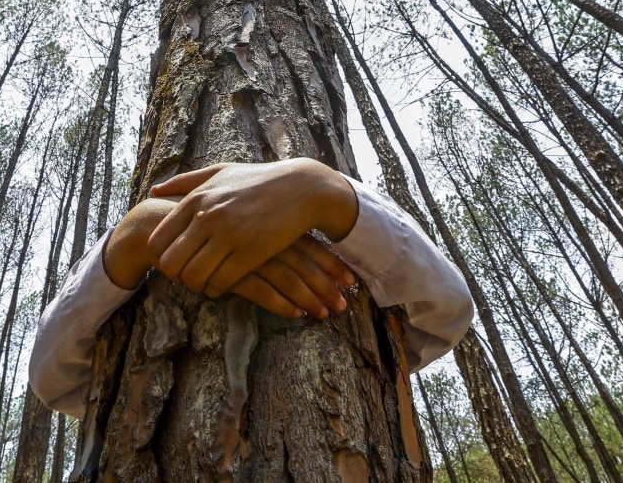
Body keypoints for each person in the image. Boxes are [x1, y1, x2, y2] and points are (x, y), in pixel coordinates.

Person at [29, 158, 474, 416]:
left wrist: (321, 189)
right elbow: (53, 379)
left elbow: (446, 309)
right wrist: (132, 237)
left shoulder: (350, 207)